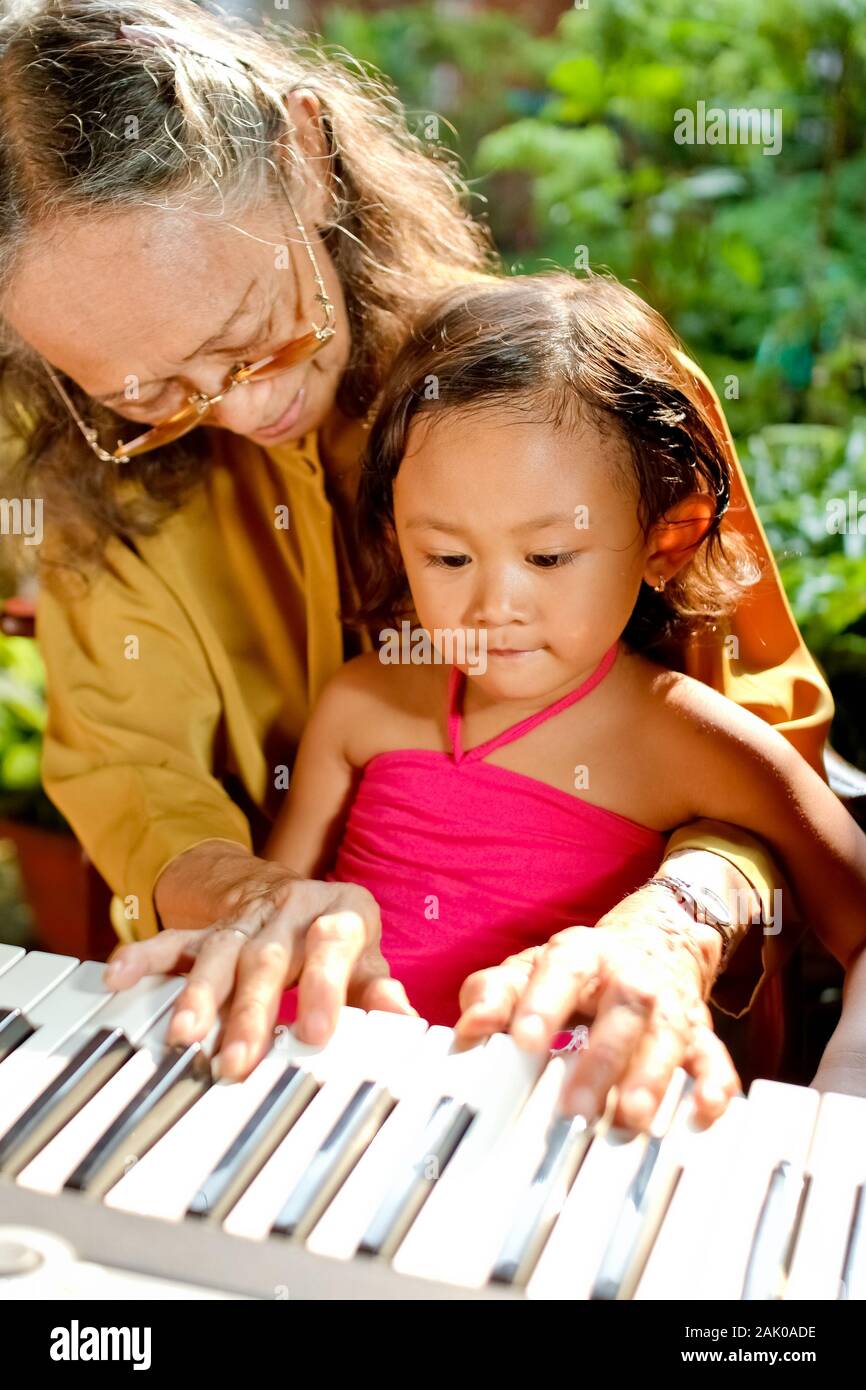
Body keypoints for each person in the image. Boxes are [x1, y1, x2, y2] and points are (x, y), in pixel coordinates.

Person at [0, 0, 853, 1128]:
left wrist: (673, 918)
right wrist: (250, 897)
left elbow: (760, 739)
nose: (249, 406)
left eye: (255, 327)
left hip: (622, 1088)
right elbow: (131, 770)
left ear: (305, 154)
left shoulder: (564, 393)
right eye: (146, 394)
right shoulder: (91, 478)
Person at [264, 272, 866, 1123]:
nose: (493, 606)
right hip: (307, 1099)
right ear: (396, 536)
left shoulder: (683, 736)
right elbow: (273, 914)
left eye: (547, 558)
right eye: (446, 557)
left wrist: (843, 1095)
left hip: (540, 1144)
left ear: (669, 537)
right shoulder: (362, 703)